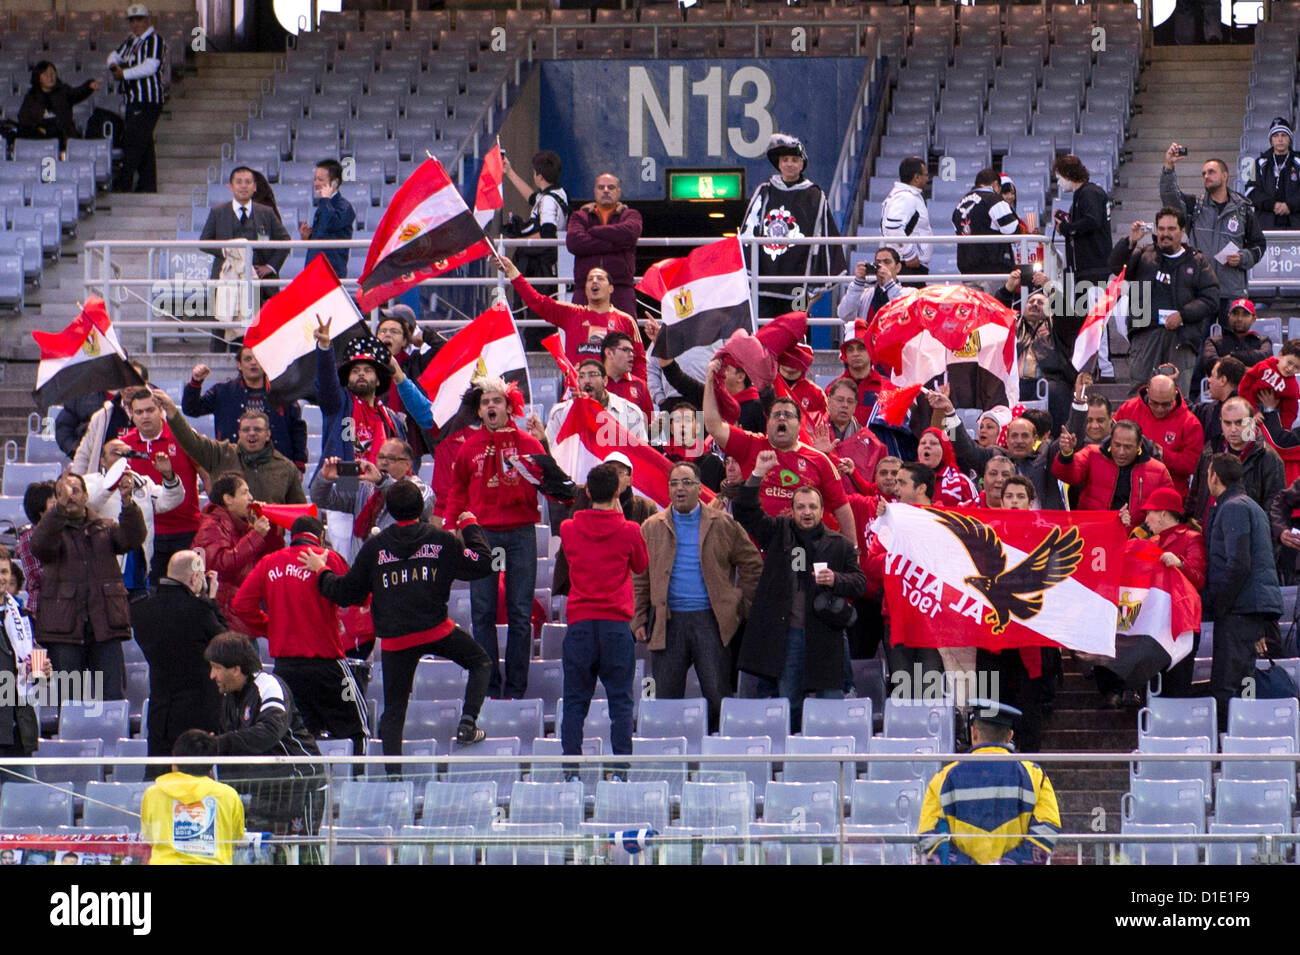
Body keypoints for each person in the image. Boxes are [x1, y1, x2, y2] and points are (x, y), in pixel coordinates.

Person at [302, 480, 496, 763]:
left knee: (394, 711)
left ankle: (394, 778)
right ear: (422, 507)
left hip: (396, 641)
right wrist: (470, 526)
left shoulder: (375, 547)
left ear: (390, 511)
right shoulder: (441, 540)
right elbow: (483, 563)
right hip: (436, 630)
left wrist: (321, 571)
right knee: (481, 663)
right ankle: (467, 723)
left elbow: (345, 594)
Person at [734, 451, 865, 729]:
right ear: (791, 511)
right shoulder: (777, 532)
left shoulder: (840, 544)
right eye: (801, 507)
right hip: (788, 634)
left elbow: (859, 582)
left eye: (813, 507)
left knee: (830, 704)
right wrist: (757, 474)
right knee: (789, 702)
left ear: (822, 510)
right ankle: (791, 750)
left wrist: (836, 579)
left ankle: (830, 750)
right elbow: (745, 511)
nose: (807, 512)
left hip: (826, 636)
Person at [633, 461, 762, 731]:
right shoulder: (651, 527)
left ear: (699, 488)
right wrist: (639, 618)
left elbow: (752, 564)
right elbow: (640, 577)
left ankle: (718, 748)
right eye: (674, 483)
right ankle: (667, 748)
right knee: (664, 697)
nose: (679, 488)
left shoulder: (723, 523)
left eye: (687, 483)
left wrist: (741, 605)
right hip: (667, 622)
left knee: (717, 694)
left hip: (711, 620)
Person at [442, 376, 547, 700]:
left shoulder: (528, 443)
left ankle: (515, 689)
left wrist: (544, 444)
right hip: (483, 536)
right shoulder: (469, 447)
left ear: (508, 406)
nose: (490, 406)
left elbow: (550, 482)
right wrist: (450, 526)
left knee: (520, 613)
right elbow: (457, 490)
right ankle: (488, 688)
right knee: (482, 611)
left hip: (521, 532)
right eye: (485, 402)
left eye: (496, 401)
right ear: (479, 410)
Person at [232, 516, 369, 754]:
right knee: (356, 730)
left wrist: (273, 628)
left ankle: (312, 778)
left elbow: (241, 604)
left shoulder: (269, 562)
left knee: (301, 737)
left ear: (291, 537)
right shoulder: (328, 558)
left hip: (286, 669)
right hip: (327, 665)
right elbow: (360, 597)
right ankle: (355, 776)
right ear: (321, 536)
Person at [557, 462, 649, 763]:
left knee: (574, 702)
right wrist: (620, 518)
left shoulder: (569, 528)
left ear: (587, 492)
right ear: (617, 492)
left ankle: (571, 771)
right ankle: (621, 770)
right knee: (620, 703)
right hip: (615, 627)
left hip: (581, 625)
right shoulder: (629, 530)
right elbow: (641, 565)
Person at [703, 365, 856, 541]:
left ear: (799, 425)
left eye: (788, 415)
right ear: (768, 423)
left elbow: (841, 507)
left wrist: (853, 550)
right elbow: (713, 425)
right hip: (755, 550)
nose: (782, 418)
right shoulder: (750, 445)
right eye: (776, 415)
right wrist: (709, 379)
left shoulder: (819, 460)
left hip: (802, 549)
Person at [30, 472, 144, 701]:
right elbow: (39, 546)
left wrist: (128, 502)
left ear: (86, 496)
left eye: (75, 491)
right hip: (64, 630)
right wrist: (58, 511)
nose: (70, 496)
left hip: (105, 627)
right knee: (69, 699)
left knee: (112, 697)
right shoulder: (51, 531)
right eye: (62, 493)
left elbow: (133, 537)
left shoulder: (105, 527)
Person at [206, 632, 322, 837]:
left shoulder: (268, 686)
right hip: (264, 787)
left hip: (300, 782)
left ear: (236, 668)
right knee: (263, 851)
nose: (212, 675)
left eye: (217, 668)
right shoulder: (229, 698)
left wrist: (220, 743)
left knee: (301, 851)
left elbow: (269, 732)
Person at [918, 700, 1060, 865]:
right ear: (1010, 736)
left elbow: (930, 836)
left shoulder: (943, 778)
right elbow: (1047, 829)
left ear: (973, 733)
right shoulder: (1035, 776)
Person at [1203, 453, 1283, 728]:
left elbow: (1239, 564)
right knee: (1246, 677)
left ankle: (1230, 737)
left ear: (1214, 476)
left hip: (1238, 608)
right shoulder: (1250, 505)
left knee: (1227, 681)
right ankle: (1247, 727)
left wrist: (1219, 604)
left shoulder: (1233, 508)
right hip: (1250, 608)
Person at [1108, 209, 1220, 395]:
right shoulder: (1143, 254)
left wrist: (1183, 315)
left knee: (1177, 394)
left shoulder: (1197, 261)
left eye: (1171, 229)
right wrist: (1130, 242)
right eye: (1161, 229)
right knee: (1139, 393)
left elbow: (1211, 299)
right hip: (1145, 335)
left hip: (1181, 338)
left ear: (1182, 230)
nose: (1165, 234)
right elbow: (1116, 267)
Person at [131, 550, 225, 765]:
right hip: (200, 713)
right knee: (197, 778)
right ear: (194, 578)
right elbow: (226, 646)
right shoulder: (200, 611)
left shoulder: (141, 609)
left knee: (160, 775)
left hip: (160, 715)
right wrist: (211, 601)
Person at [310, 317, 432, 483]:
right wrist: (324, 348)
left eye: (367, 370)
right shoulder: (338, 405)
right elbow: (326, 382)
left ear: (378, 380)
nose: (361, 373)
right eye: (355, 371)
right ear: (348, 380)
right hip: (344, 487)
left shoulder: (393, 419)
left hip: (379, 488)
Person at [740, 133, 846, 317]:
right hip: (764, 282)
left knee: (797, 327)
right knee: (765, 329)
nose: (789, 164)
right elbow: (748, 231)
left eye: (795, 160)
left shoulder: (814, 195)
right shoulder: (765, 191)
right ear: (779, 164)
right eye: (785, 160)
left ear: (802, 164)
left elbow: (824, 237)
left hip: (800, 284)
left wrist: (814, 289)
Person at [1160, 143, 1266, 323]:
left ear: (1225, 176)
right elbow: (1170, 197)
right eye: (1203, 174)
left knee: (1231, 340)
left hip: (1231, 291)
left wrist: (1242, 257)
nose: (1206, 177)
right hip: (1198, 291)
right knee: (1198, 340)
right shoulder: (1195, 206)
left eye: (1211, 172)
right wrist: (1169, 167)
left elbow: (1259, 245)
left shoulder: (1243, 209)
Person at [151, 387, 306, 506]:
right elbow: (191, 441)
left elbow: (300, 514)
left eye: (257, 429)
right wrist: (172, 411)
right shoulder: (220, 454)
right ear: (239, 433)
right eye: (246, 430)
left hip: (270, 537)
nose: (252, 433)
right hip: (226, 536)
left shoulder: (286, 468)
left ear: (268, 434)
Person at [501, 256, 645, 382]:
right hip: (577, 393)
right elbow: (538, 302)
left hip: (614, 396)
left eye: (600, 278)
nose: (594, 281)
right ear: (585, 289)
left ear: (611, 288)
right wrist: (513, 273)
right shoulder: (572, 314)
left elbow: (638, 362)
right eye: (590, 279)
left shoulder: (626, 321)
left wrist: (639, 392)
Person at [116, 386, 202, 584]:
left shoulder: (184, 437)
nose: (145, 416)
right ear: (131, 414)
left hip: (187, 531)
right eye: (139, 412)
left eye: (150, 410)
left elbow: (206, 474)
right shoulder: (124, 446)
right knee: (150, 593)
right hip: (146, 535)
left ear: (160, 410)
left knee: (191, 590)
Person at [199, 166, 292, 345]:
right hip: (225, 280)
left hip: (258, 284)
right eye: (239, 182)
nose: (243, 186)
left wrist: (269, 267)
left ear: (255, 187)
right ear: (230, 186)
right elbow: (204, 242)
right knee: (220, 334)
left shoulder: (266, 212)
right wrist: (225, 250)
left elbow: (285, 241)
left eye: (248, 182)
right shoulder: (218, 212)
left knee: (254, 336)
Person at [83, 439, 182, 593]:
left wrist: (168, 476)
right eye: (116, 453)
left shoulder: (143, 484)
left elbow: (169, 501)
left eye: (127, 453)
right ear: (103, 460)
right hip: (105, 570)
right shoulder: (91, 482)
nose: (122, 457)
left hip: (138, 566)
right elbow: (87, 506)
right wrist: (112, 483)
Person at [183, 345, 308, 467]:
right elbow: (191, 409)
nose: (253, 362)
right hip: (233, 467)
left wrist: (299, 464)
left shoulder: (283, 393)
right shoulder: (223, 392)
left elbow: (298, 430)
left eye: (258, 358)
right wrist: (195, 383)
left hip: (277, 468)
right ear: (239, 365)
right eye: (248, 359)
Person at [310, 438, 434, 560]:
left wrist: (383, 482)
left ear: (408, 464)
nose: (384, 462)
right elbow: (321, 499)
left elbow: (420, 506)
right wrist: (324, 479)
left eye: (391, 458)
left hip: (397, 565)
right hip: (363, 565)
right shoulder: (363, 483)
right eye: (381, 457)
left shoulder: (419, 487)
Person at [192, 472, 284, 635]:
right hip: (225, 618)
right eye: (244, 493)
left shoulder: (241, 526)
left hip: (238, 614)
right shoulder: (212, 527)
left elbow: (270, 557)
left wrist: (270, 529)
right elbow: (221, 564)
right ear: (228, 499)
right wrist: (256, 535)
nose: (251, 498)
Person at [140, 730, 245, 865]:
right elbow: (235, 837)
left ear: (174, 760)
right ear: (212, 765)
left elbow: (149, 836)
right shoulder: (228, 795)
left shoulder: (153, 793)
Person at [1053, 420, 1176, 529]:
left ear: (1139, 445)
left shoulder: (1159, 471)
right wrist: (1066, 455)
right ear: (1110, 440)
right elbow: (1067, 475)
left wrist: (1141, 530)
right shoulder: (1092, 454)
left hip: (1136, 539)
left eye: (1128, 447)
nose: (1121, 452)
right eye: (1117, 445)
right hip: (1091, 532)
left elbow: (1168, 513)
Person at [1187, 396, 1284, 524]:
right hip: (1207, 530)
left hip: (1244, 533)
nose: (1233, 429)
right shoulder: (1210, 449)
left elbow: (1274, 509)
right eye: (1227, 423)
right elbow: (1195, 495)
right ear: (1221, 421)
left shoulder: (1268, 457)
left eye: (1239, 423)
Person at [545, 358, 648, 476]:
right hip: (576, 480)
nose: (586, 381)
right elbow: (549, 451)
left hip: (617, 480)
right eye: (581, 376)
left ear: (605, 380)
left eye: (592, 375)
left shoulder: (629, 412)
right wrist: (541, 438)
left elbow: (642, 456)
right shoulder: (560, 413)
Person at [107, 3, 166, 193]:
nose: (135, 24)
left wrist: (124, 73)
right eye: (132, 20)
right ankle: (147, 185)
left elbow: (150, 67)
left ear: (147, 20)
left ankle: (124, 182)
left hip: (148, 99)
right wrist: (114, 67)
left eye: (139, 19)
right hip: (133, 98)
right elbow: (113, 56)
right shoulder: (132, 41)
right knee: (143, 142)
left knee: (134, 141)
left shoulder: (155, 40)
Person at [565, 172, 643, 316]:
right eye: (601, 187)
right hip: (585, 290)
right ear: (595, 191)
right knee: (581, 331)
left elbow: (629, 234)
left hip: (620, 290)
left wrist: (593, 231)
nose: (606, 190)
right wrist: (616, 243)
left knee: (624, 331)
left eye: (611, 187)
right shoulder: (579, 216)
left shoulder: (631, 215)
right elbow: (574, 242)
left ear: (619, 192)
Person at [1114, 373, 1205, 493]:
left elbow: (1193, 463)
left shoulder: (1190, 423)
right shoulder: (1128, 409)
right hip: (1129, 489)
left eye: (1166, 404)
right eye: (1154, 403)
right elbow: (1111, 441)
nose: (1160, 409)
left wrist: (1164, 455)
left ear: (1175, 395)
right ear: (1148, 393)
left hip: (1168, 492)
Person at [66, 360, 150, 473]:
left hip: (146, 479)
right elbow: (84, 455)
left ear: (145, 383)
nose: (128, 387)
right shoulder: (103, 416)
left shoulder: (159, 414)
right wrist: (77, 479)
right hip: (107, 481)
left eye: (133, 382)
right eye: (124, 381)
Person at [501, 149, 569, 283]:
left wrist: (516, 242)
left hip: (541, 268)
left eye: (534, 172)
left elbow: (547, 234)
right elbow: (533, 198)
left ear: (540, 176)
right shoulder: (558, 193)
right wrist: (509, 171)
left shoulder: (548, 201)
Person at [0, 555, 43, 759]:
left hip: (19, 726)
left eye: (4, 572)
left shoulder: (23, 616)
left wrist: (43, 671)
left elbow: (36, 674)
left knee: (25, 780)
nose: (1, 578)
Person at [952, 168, 1019, 282]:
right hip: (993, 270)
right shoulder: (994, 199)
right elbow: (1012, 230)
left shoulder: (960, 204)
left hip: (967, 270)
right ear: (995, 184)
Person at [17, 61, 97, 155]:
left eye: (52, 73)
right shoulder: (31, 97)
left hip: (62, 132)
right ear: (38, 77)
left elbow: (78, 93)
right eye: (45, 74)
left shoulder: (64, 91)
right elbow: (23, 117)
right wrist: (37, 128)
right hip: (41, 134)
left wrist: (89, 86)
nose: (50, 77)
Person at [298, 158, 355, 277]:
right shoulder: (324, 205)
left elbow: (331, 224)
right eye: (315, 179)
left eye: (320, 180)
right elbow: (325, 235)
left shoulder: (344, 207)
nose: (316, 184)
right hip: (314, 270)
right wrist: (309, 237)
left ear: (334, 182)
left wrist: (325, 199)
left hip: (331, 271)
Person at [1196, 298, 1273, 386]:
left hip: (1253, 391)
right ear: (1229, 316)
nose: (1239, 318)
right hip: (1223, 391)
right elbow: (1211, 365)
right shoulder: (1213, 341)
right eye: (1235, 314)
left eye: (1245, 315)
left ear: (1254, 318)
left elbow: (1265, 360)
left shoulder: (1263, 341)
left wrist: (1233, 356)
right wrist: (1250, 370)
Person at [880, 156, 932, 274]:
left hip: (904, 263)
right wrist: (909, 254)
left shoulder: (902, 195)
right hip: (907, 265)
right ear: (916, 177)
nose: (927, 179)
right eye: (926, 175)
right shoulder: (906, 197)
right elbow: (892, 227)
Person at [1246, 118, 1300, 230]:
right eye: (1275, 136)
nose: (1280, 139)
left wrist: (1290, 206)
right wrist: (1272, 205)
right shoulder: (1258, 163)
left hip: (1296, 223)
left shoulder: (1298, 162)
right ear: (1271, 140)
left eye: (1283, 135)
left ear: (1289, 139)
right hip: (1265, 224)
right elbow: (1250, 190)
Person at [13, 481, 55, 617]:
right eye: (53, 503)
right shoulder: (29, 538)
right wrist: (63, 566)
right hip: (41, 608)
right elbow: (35, 576)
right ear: (41, 511)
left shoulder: (63, 533)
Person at [1239, 341, 1300, 429]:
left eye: (1296, 367)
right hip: (1249, 405)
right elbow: (1245, 386)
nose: (1290, 369)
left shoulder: (1292, 386)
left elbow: (1290, 410)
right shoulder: (1264, 366)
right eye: (1289, 363)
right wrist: (1253, 410)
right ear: (1280, 355)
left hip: (1274, 415)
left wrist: (1283, 428)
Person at [837, 247, 906, 323]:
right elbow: (844, 315)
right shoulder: (865, 294)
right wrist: (858, 283)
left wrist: (889, 284)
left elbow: (905, 315)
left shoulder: (909, 293)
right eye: (878, 262)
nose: (882, 266)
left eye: (887, 262)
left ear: (898, 267)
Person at [916, 426, 978, 507]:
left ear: (944, 449)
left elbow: (976, 509)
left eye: (933, 443)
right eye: (923, 443)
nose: (927, 446)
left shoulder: (962, 482)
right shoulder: (907, 478)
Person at [1193, 355, 1244, 448]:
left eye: (1212, 376)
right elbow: (1191, 410)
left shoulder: (1245, 412)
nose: (1209, 380)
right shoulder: (1212, 408)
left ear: (1222, 380)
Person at [601, 331, 653, 422]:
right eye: (625, 350)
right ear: (609, 353)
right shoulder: (594, 383)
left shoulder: (641, 386)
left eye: (632, 351)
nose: (631, 355)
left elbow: (649, 424)